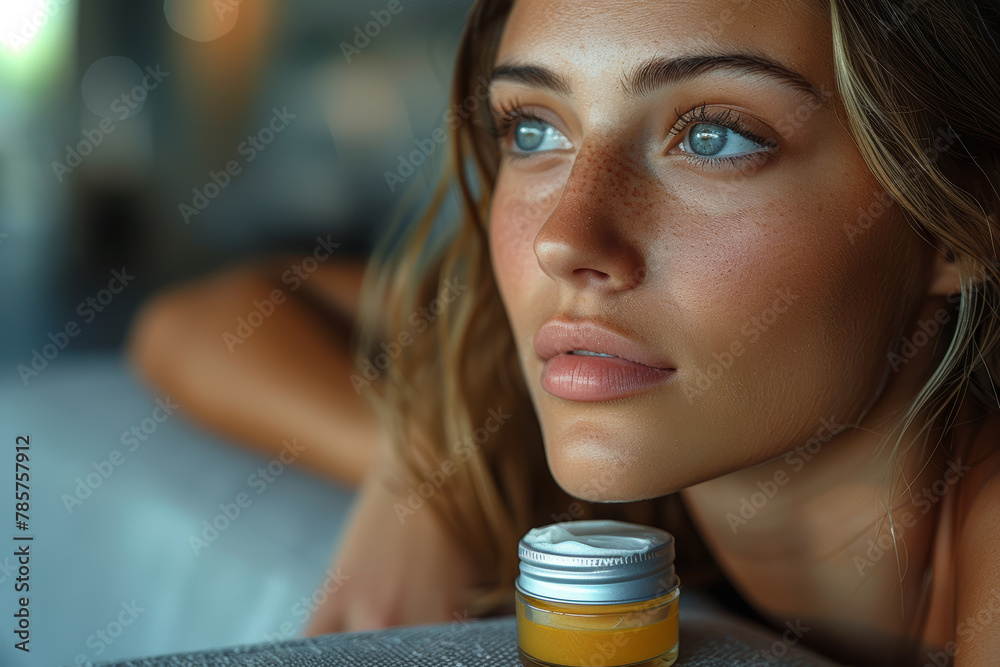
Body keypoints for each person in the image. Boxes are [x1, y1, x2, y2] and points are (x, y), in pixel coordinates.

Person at [127, 0, 1000, 664]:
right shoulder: (595, 372)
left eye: (717, 136)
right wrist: (432, 468)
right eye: (533, 128)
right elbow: (200, 321)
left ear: (959, 223)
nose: (565, 239)